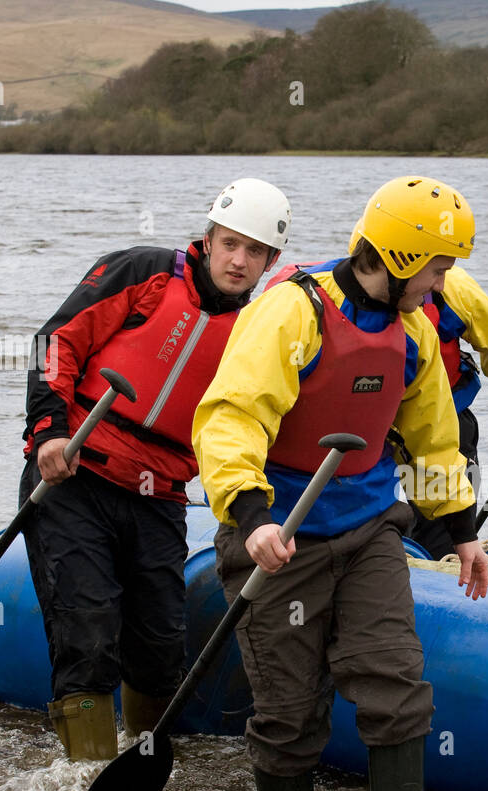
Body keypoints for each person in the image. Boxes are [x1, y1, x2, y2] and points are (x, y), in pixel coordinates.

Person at [192, 175, 488, 791]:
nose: (442, 284)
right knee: (290, 714)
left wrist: (462, 532)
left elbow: (436, 441)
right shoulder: (292, 312)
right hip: (279, 537)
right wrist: (252, 517)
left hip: (368, 532)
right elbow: (230, 419)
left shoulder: (412, 333)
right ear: (402, 257)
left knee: (397, 686)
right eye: (438, 268)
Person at [20, 178, 292, 760]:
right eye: (230, 245)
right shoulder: (142, 271)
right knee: (89, 637)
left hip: (158, 496)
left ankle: (138, 769)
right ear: (210, 237)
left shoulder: (256, 330)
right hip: (75, 475)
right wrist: (49, 432)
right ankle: (86, 776)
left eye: (255, 252)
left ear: (271, 262)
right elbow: (56, 344)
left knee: (160, 652)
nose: (239, 261)